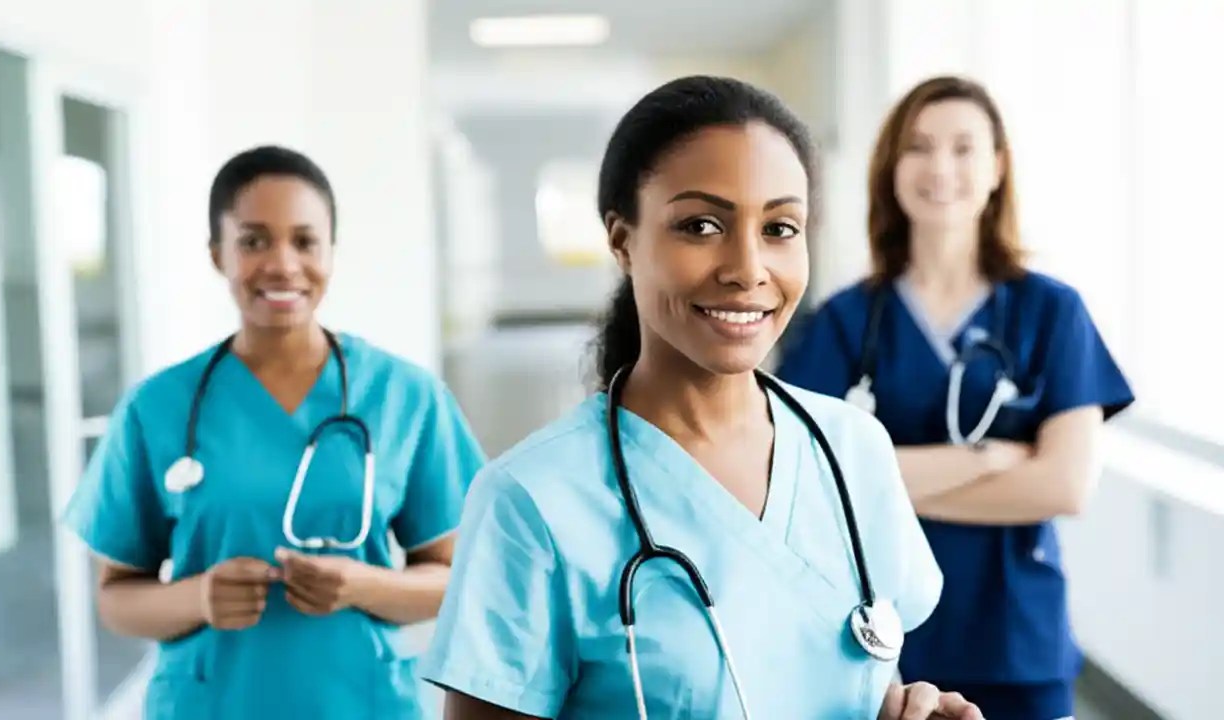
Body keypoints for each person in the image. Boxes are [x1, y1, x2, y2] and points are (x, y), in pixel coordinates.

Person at [418, 76, 983, 720]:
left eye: (780, 227)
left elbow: (858, 670)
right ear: (621, 239)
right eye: (702, 224)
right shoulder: (530, 501)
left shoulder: (851, 447)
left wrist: (904, 710)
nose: (747, 267)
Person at [62, 145, 486, 720]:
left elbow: (457, 579)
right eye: (254, 240)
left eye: (305, 240)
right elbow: (116, 599)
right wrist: (198, 597)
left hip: (361, 702)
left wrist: (362, 586)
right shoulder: (156, 408)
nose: (283, 264)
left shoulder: (406, 396)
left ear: (331, 253)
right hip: (210, 704)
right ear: (218, 254)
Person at [776, 75, 1135, 720]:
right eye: (918, 146)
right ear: (891, 169)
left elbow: (1064, 486)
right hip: (881, 644)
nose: (940, 167)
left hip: (1016, 639)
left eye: (963, 147)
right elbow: (805, 484)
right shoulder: (844, 321)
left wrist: (880, 480)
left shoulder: (1053, 312)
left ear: (997, 167)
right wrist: (985, 461)